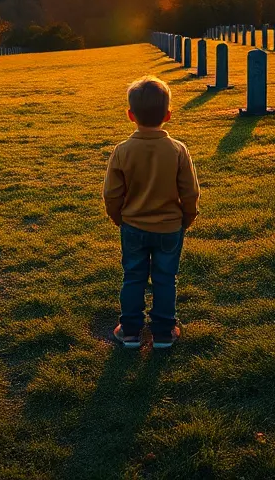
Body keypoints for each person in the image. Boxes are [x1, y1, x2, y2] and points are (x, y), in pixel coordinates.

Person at [103, 76, 200, 349]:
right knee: (165, 278)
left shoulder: (122, 151)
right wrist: (187, 218)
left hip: (133, 226)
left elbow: (112, 194)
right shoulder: (178, 150)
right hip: (170, 228)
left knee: (133, 276)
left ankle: (131, 331)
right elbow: (190, 192)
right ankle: (163, 332)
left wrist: (118, 217)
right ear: (168, 115)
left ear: (130, 115)